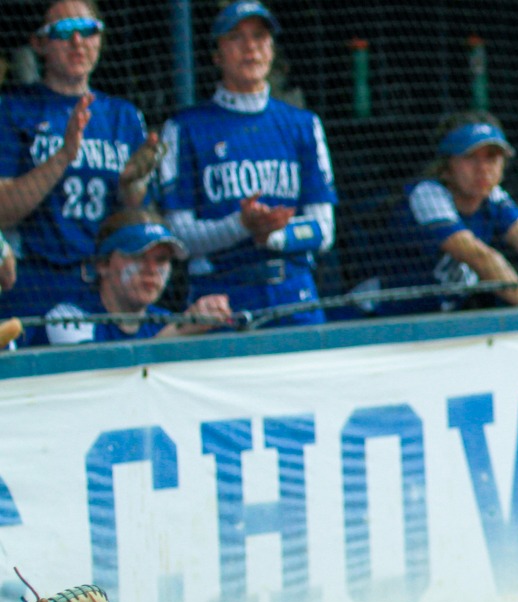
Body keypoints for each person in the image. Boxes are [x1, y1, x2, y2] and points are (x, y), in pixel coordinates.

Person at [155, 1, 336, 328]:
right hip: (219, 298)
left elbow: (324, 230)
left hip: (294, 294)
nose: (250, 47)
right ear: (216, 55)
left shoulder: (304, 125)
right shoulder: (184, 129)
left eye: (260, 36)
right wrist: (241, 225)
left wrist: (274, 235)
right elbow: (177, 238)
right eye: (236, 37)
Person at [0, 1, 162, 319]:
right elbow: (3, 210)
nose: (78, 42)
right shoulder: (12, 109)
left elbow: (139, 213)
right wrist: (63, 157)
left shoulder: (124, 116)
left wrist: (132, 182)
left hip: (109, 285)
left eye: (88, 31)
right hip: (34, 282)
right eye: (63, 32)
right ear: (39, 43)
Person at [353, 113, 518, 317]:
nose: (483, 168)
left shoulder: (493, 196)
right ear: (447, 167)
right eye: (470, 157)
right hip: (373, 317)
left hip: (433, 321)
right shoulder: (427, 193)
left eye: (492, 157)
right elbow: (479, 256)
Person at [21, 209, 231, 346]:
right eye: (138, 256)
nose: (151, 269)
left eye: (161, 259)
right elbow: (107, 384)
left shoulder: (162, 320)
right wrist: (183, 329)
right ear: (103, 265)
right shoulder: (66, 320)